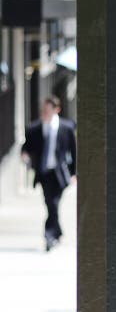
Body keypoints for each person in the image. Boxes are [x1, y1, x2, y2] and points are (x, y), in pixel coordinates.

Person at [21, 96, 77, 251]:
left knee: (54, 203)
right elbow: (26, 146)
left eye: (47, 110)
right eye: (43, 110)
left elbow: (74, 151)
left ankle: (50, 235)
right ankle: (55, 233)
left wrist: (74, 173)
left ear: (56, 110)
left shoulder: (66, 127)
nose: (44, 112)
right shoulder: (34, 128)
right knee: (49, 203)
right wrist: (24, 154)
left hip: (60, 174)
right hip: (44, 173)